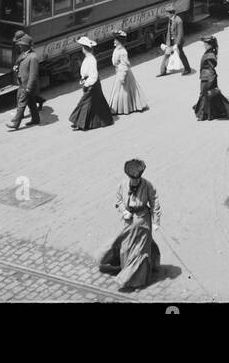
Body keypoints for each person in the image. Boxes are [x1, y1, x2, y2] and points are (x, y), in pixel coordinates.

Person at [98, 159, 163, 290]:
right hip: (128, 222)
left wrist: (156, 221)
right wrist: (123, 211)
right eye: (132, 179)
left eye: (137, 179)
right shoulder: (122, 185)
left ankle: (136, 280)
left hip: (143, 222)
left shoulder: (148, 186)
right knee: (125, 249)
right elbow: (118, 200)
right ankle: (127, 270)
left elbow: (155, 202)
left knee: (140, 251)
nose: (134, 181)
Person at [69, 36, 114, 130]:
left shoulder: (91, 60)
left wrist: (87, 84)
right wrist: (83, 79)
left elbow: (93, 75)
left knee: (84, 103)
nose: (81, 49)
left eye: (82, 47)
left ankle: (79, 122)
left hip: (93, 84)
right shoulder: (88, 58)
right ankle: (104, 119)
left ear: (85, 49)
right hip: (91, 83)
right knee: (97, 102)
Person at [7, 32, 44, 130]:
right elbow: (19, 64)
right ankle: (36, 119)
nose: (19, 47)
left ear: (26, 46)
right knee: (31, 102)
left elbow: (33, 75)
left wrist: (29, 88)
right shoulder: (23, 54)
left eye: (21, 45)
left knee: (21, 103)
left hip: (27, 85)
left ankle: (15, 123)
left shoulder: (33, 57)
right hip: (21, 83)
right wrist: (16, 68)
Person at [193, 38, 229, 121]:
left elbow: (211, 69)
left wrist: (211, 81)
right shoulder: (209, 53)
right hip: (205, 77)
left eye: (205, 44)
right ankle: (207, 113)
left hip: (208, 78)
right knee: (210, 96)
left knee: (207, 95)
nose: (204, 46)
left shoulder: (210, 56)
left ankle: (204, 114)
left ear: (210, 45)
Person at [108, 31, 149, 115]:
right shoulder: (117, 49)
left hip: (123, 73)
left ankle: (122, 108)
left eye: (115, 40)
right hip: (119, 71)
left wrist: (122, 77)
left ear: (119, 41)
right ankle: (120, 108)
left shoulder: (123, 52)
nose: (113, 41)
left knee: (123, 92)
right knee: (120, 92)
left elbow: (124, 65)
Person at [157, 5, 191, 76]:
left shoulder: (178, 20)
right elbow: (169, 32)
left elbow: (180, 33)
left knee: (181, 55)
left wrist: (177, 44)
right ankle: (163, 71)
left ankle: (187, 69)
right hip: (170, 42)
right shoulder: (170, 19)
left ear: (171, 13)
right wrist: (167, 43)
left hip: (177, 42)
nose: (166, 15)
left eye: (167, 13)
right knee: (166, 55)